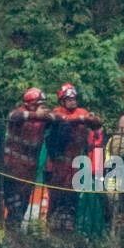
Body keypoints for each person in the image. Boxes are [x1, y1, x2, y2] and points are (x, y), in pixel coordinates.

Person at [44, 83, 101, 231]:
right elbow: (58, 119)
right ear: (62, 101)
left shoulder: (82, 111)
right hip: (57, 162)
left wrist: (91, 119)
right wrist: (81, 119)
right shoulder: (57, 112)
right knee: (56, 194)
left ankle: (69, 222)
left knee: (72, 194)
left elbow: (96, 122)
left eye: (74, 98)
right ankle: (52, 223)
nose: (72, 101)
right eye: (69, 99)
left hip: (75, 163)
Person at [0, 88, 52, 229]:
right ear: (30, 104)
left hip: (29, 171)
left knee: (23, 204)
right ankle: (9, 234)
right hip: (12, 168)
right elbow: (13, 116)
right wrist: (35, 115)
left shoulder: (43, 120)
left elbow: (57, 119)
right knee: (13, 205)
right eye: (39, 103)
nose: (42, 107)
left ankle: (15, 235)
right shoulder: (20, 114)